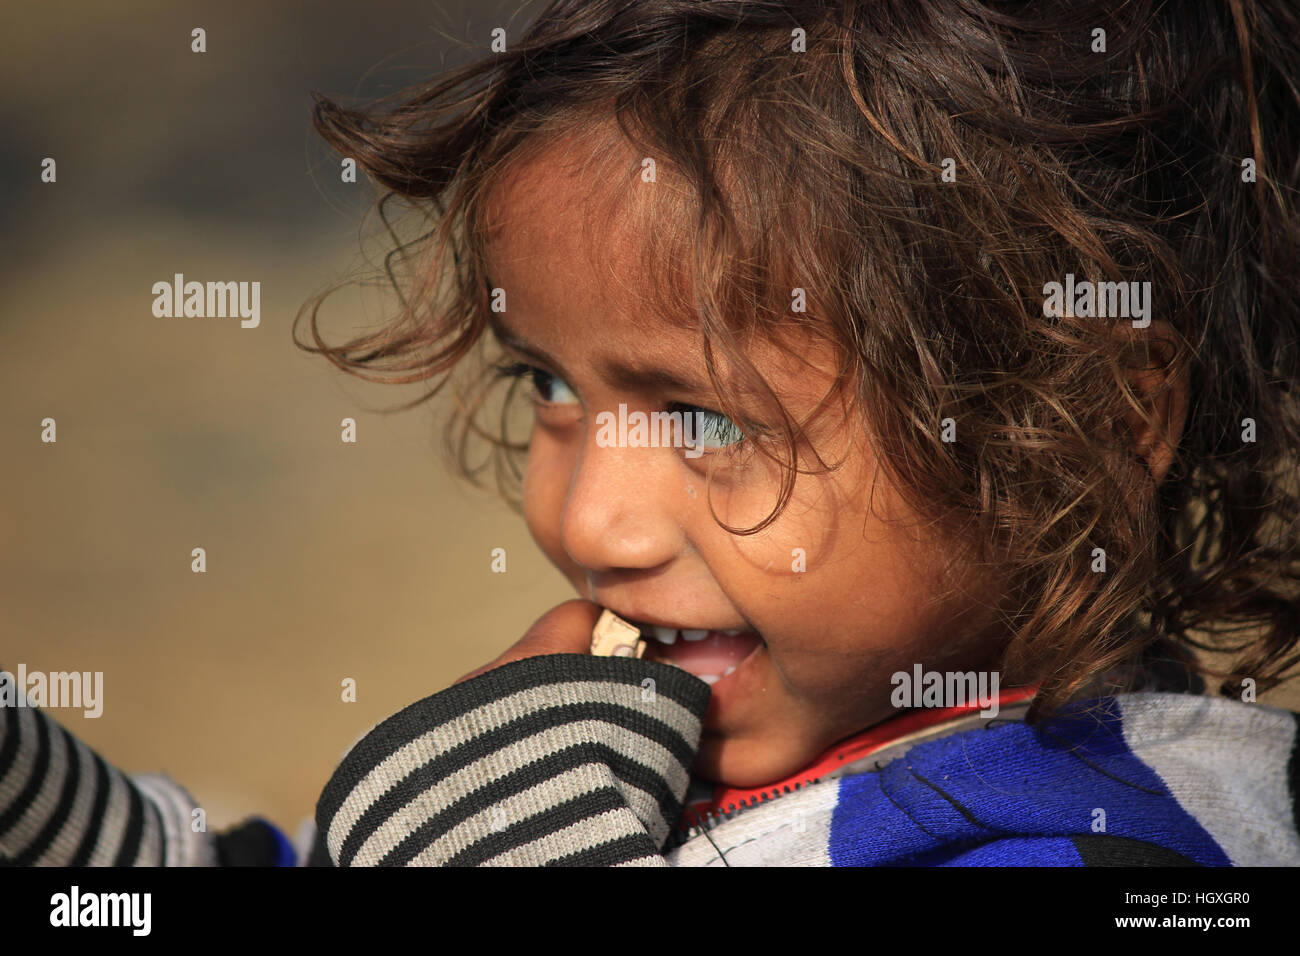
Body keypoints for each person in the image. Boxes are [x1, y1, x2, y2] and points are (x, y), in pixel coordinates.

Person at [5, 0, 1300, 867]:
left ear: (1081, 415)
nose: (584, 521)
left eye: (704, 415)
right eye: (549, 388)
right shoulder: (692, 749)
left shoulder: (1101, 847)